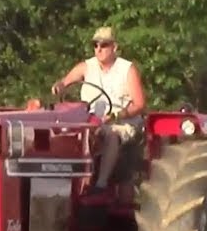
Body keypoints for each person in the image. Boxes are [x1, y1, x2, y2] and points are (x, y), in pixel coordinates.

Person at [51, 26, 146, 194]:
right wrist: (60, 86)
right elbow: (66, 81)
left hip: (121, 121)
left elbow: (139, 104)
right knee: (69, 134)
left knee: (111, 134)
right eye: (95, 45)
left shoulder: (127, 69)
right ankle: (65, 183)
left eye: (104, 45)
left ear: (114, 47)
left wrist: (115, 115)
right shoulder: (87, 66)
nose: (99, 49)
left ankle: (100, 184)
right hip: (91, 121)